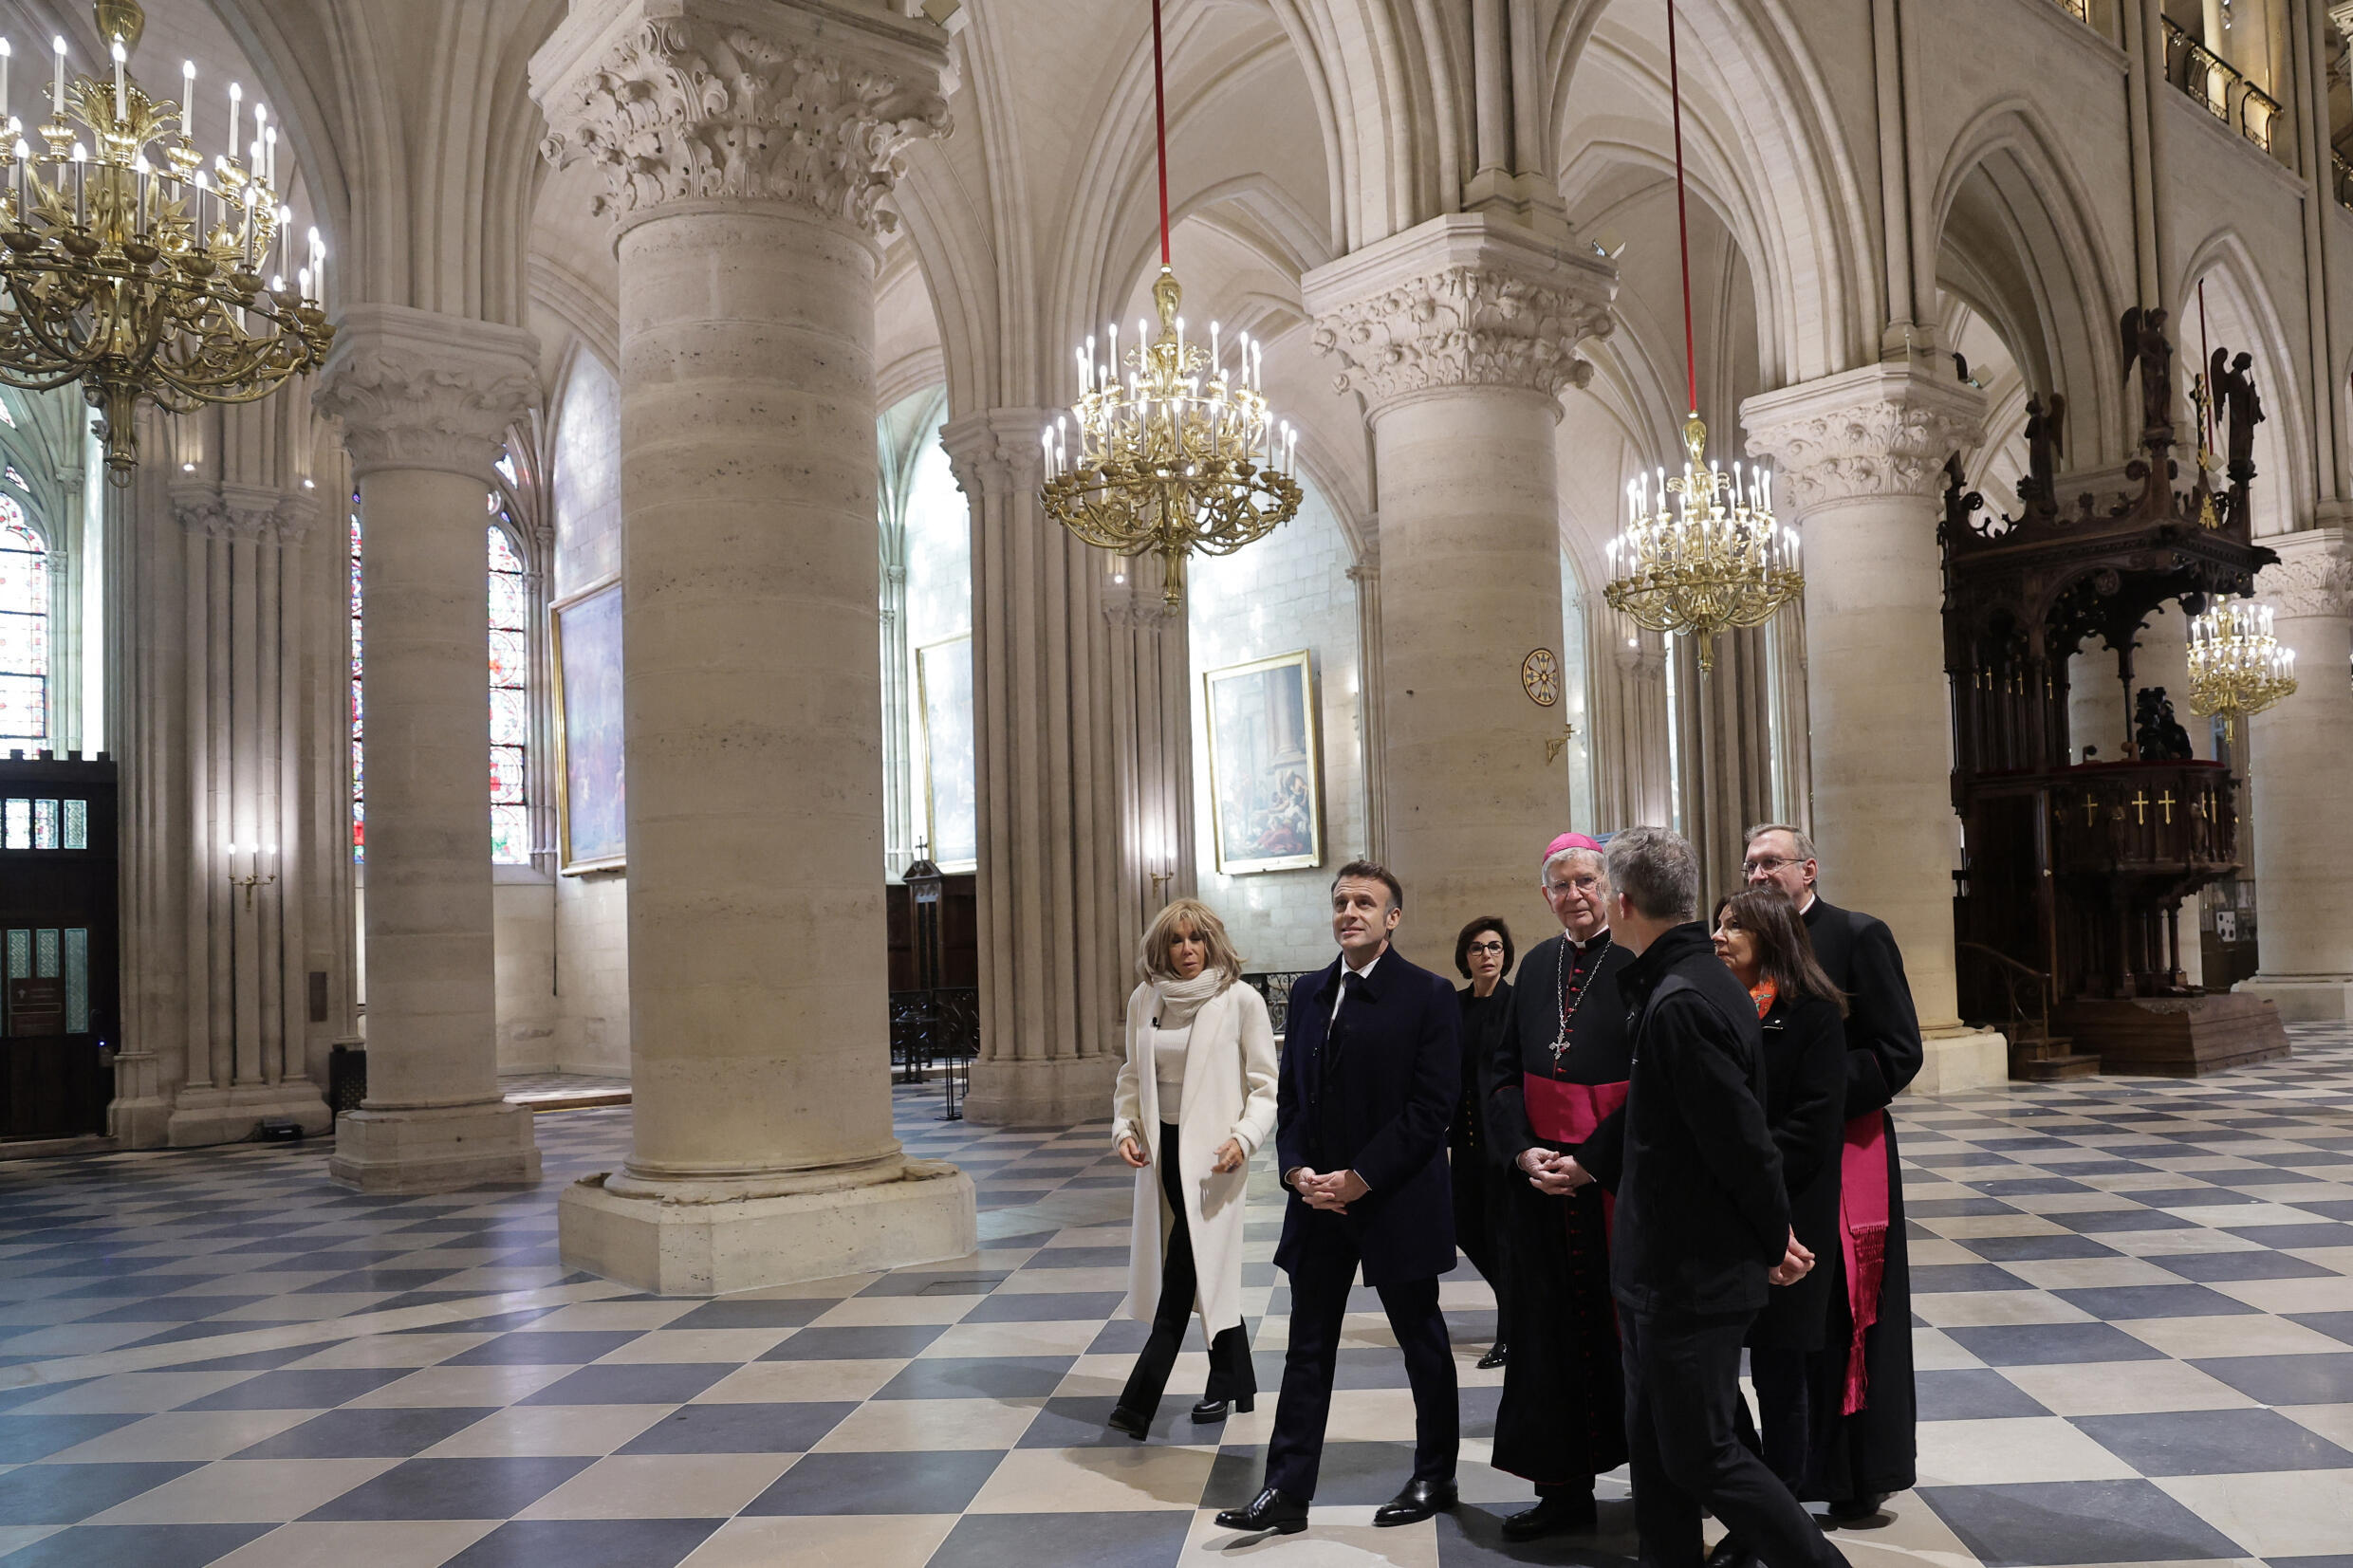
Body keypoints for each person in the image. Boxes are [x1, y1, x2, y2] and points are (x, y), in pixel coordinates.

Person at [1605, 825, 1846, 1568]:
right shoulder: (1700, 984)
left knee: (1706, 1454)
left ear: (1620, 904)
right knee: (1655, 1454)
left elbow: (1741, 1141)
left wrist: (1772, 1237)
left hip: (1689, 1271)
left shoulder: (1683, 999)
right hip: (1663, 1267)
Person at [1215, 861, 1463, 1537]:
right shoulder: (1308, 993)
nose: (1349, 911)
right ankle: (1287, 1488)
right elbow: (1290, 1095)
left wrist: (1361, 1176)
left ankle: (1435, 1473)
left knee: (1421, 1341)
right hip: (1317, 1201)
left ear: (1393, 918)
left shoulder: (1428, 994)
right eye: (1341, 901)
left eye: (1365, 902)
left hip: (1394, 1198)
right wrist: (1297, 1171)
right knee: (1307, 1346)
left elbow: (1432, 1107)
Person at [1744, 823, 1921, 1521]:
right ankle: (1785, 1469)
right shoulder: (1745, 946)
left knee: (1848, 1311)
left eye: (1772, 862)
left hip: (1848, 1152)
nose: (1758, 874)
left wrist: (1813, 1096)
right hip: (1768, 1148)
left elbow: (1897, 1050)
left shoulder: (1857, 934)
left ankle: (1854, 1472)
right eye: (1750, 863)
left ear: (1809, 868)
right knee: (1783, 1316)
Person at [1483, 832, 1635, 1540]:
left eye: (1586, 882)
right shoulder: (1537, 966)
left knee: (1633, 1341)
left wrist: (1593, 1159)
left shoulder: (1635, 963)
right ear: (1545, 896)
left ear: (1608, 888)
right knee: (1546, 1345)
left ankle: (1679, 1484)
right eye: (1561, 885)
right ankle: (1563, 1493)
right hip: (1540, 1190)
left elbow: (1656, 1086)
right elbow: (1502, 1072)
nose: (1574, 895)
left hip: (1615, 1187)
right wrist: (1520, 1152)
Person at [1707, 887, 1849, 1568]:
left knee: (1780, 1369)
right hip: (1725, 1211)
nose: (1720, 934)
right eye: (1719, 923)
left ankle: (1780, 1510)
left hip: (1792, 1212)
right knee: (1710, 1365)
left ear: (1771, 937)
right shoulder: (1711, 1005)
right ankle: (1758, 1494)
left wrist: (1747, 1170)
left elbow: (1815, 1124)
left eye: (1736, 925)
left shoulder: (1813, 1014)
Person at [1108, 898, 1280, 1437]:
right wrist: (1124, 1128)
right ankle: (1235, 1383)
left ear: (1212, 941)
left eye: (1196, 939)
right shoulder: (1146, 999)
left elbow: (1267, 1087)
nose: (1188, 950)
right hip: (1163, 1150)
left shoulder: (1240, 1000)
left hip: (1215, 1159)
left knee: (1183, 1270)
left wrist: (1244, 1139)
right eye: (1178, 941)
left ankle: (1138, 1402)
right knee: (1200, 1265)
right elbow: (1132, 1077)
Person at [1452, 915, 1516, 1371]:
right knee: (1465, 1227)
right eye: (1477, 948)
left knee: (1503, 1238)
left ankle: (1511, 1330)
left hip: (1503, 1141)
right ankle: (1519, 1303)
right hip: (1465, 1139)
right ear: (1465, 957)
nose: (1486, 955)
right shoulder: (1453, 1007)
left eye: (1494, 947)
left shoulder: (1517, 1004)